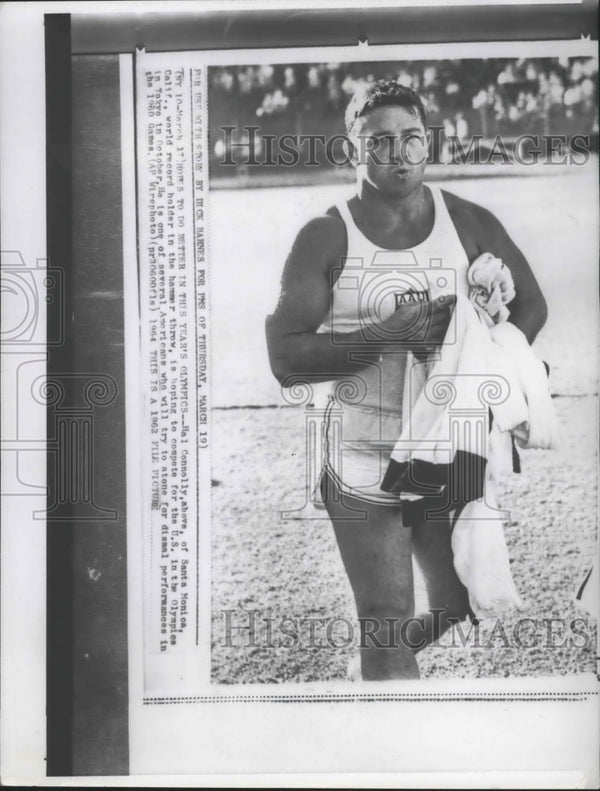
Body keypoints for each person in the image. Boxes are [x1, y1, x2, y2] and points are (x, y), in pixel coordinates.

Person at [265, 80, 547, 681]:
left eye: (412, 138)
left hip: (446, 445)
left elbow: (531, 307)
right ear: (353, 149)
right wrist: (386, 335)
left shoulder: (467, 220)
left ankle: (372, 670)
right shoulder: (326, 234)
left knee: (455, 604)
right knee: (387, 619)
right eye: (381, 141)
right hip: (363, 451)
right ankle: (386, 685)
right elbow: (285, 357)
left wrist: (493, 354)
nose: (399, 153)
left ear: (429, 142)